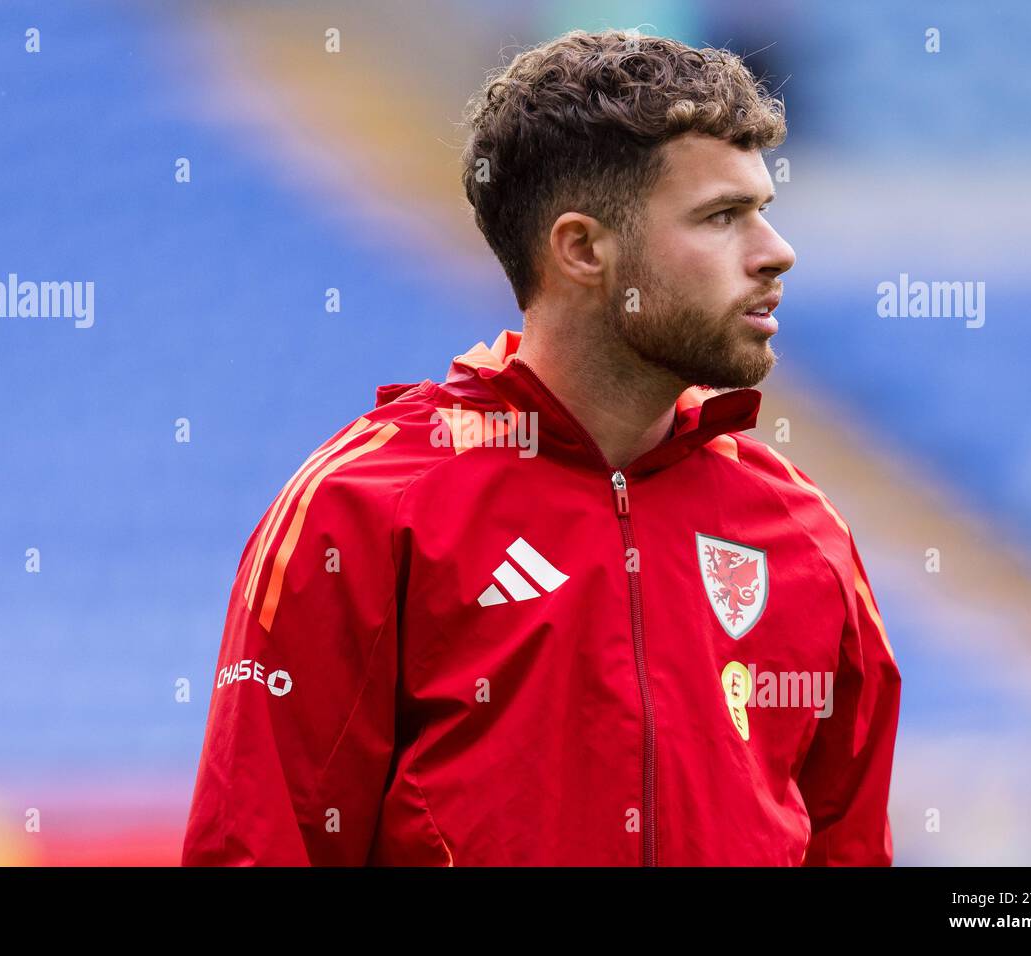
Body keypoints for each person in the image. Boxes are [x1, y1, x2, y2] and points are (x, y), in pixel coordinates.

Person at [182, 29, 901, 866]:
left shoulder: (801, 532)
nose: (775, 254)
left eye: (762, 214)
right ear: (583, 249)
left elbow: (848, 846)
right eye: (722, 218)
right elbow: (256, 846)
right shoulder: (363, 509)